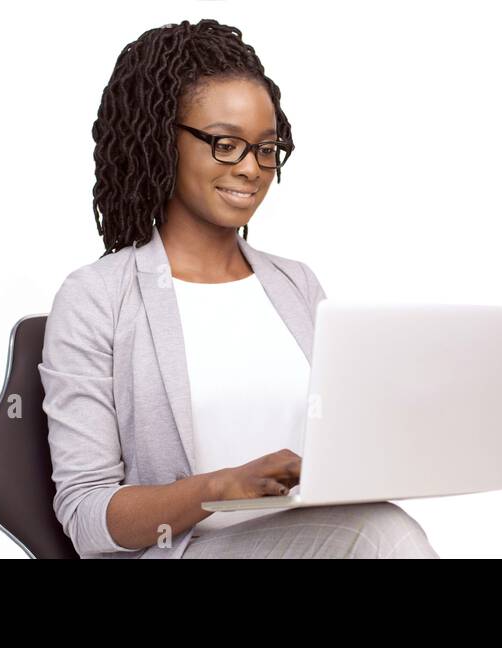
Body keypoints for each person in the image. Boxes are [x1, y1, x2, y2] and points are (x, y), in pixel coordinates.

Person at [40, 18, 438, 558]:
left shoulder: (296, 285)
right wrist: (216, 490)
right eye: (226, 144)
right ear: (164, 139)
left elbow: (338, 446)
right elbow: (86, 516)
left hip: (312, 539)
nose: (252, 169)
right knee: (384, 535)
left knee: (379, 523)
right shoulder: (97, 298)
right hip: (188, 551)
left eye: (267, 148)